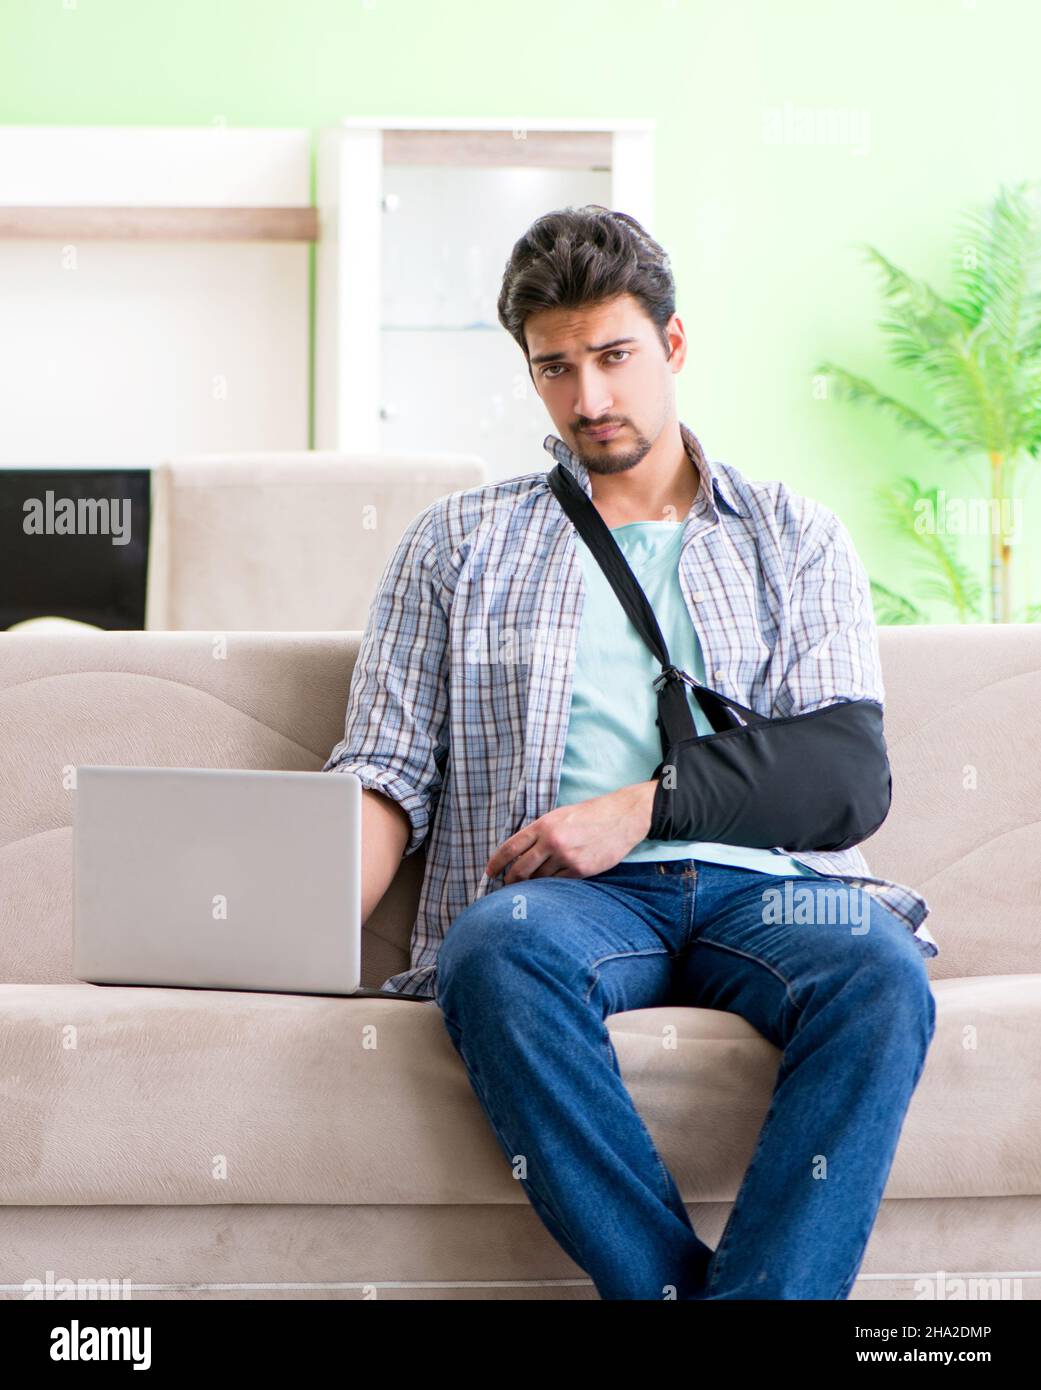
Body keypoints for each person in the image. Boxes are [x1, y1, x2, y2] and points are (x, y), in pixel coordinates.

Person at [323, 205, 939, 1300]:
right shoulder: (457, 544)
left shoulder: (795, 534)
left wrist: (639, 808)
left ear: (674, 345)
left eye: (613, 356)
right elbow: (385, 769)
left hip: (769, 892)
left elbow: (847, 774)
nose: (588, 398)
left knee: (881, 973)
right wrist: (299, 921)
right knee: (490, 950)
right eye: (554, 368)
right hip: (568, 903)